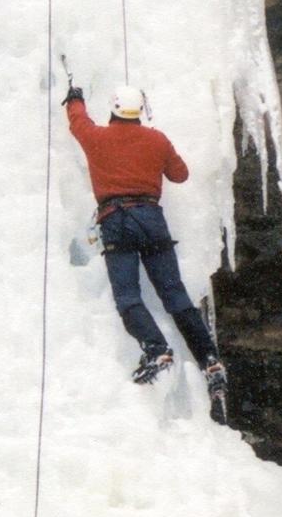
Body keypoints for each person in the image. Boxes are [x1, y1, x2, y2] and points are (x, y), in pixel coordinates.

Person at [61, 82, 226, 396]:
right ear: (140, 111)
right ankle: (209, 360)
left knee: (128, 296)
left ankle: (156, 349)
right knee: (175, 295)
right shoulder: (157, 139)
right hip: (151, 219)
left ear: (113, 108)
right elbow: (180, 175)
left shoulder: (97, 138)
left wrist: (75, 98)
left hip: (115, 221)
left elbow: (78, 122)